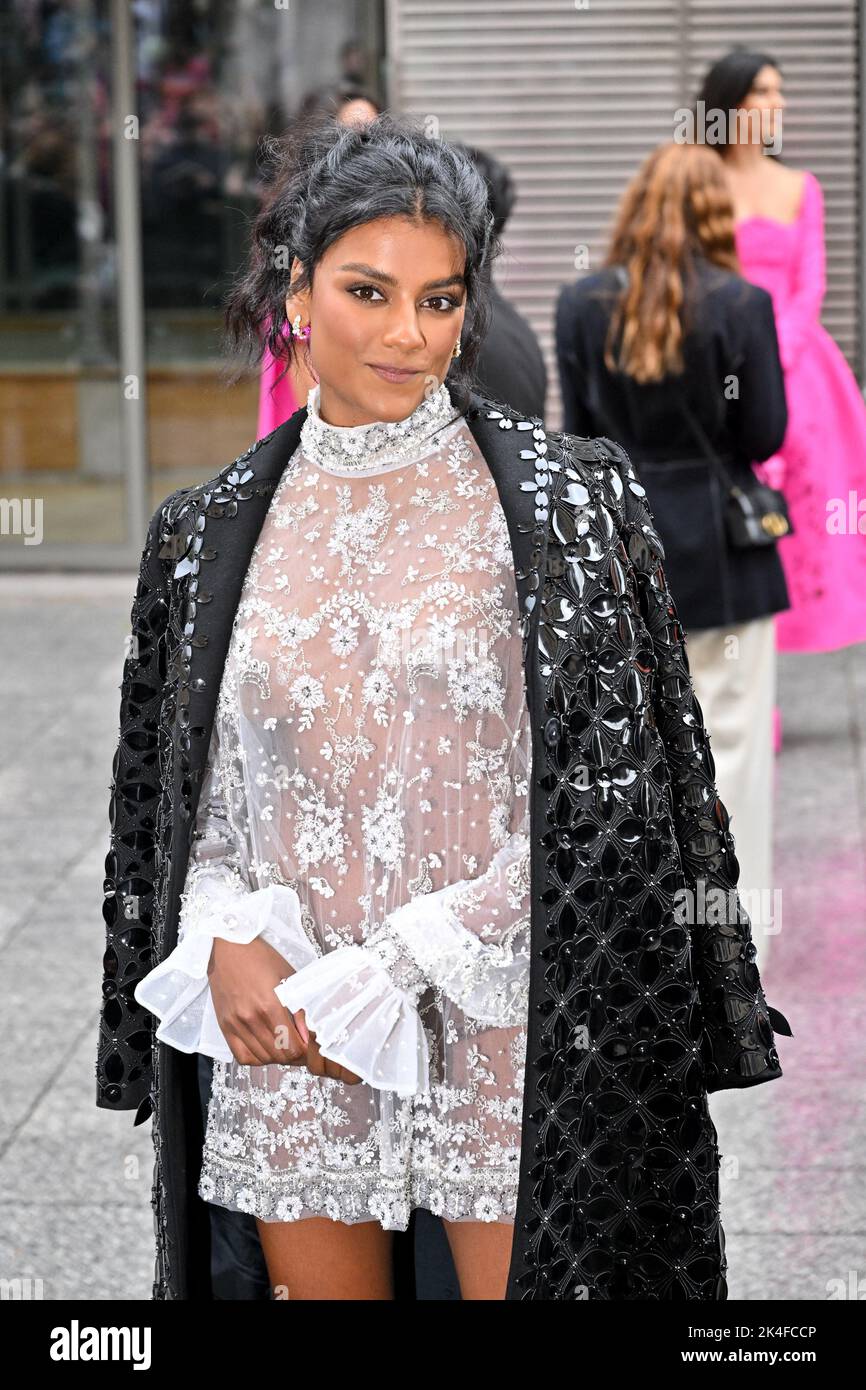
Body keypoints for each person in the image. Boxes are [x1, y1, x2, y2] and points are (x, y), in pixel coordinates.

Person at [96, 113, 791, 1301]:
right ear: (295, 292)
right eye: (369, 291)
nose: (409, 334)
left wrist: (412, 953)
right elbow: (193, 809)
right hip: (300, 1036)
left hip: (509, 1012)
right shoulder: (202, 533)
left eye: (441, 297)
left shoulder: (568, 505)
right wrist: (221, 931)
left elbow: (608, 814)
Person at [555, 141, 789, 970]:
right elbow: (763, 432)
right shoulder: (742, 303)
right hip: (724, 554)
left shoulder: (581, 302)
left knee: (634, 744)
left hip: (622, 545)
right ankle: (730, 923)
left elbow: (579, 433)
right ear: (714, 212)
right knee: (730, 743)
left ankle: (651, 919)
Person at [697, 49, 866, 729]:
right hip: (714, 369)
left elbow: (809, 285)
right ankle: (738, 699)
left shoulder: (802, 186)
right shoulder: (696, 183)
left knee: (796, 530)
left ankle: (768, 687)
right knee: (729, 529)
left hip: (801, 378)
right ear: (728, 104)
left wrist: (777, 359)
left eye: (779, 92)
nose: (776, 104)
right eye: (761, 92)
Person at [257, 85, 381, 438]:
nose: (364, 144)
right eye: (352, 132)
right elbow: (299, 354)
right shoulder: (305, 225)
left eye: (372, 131)